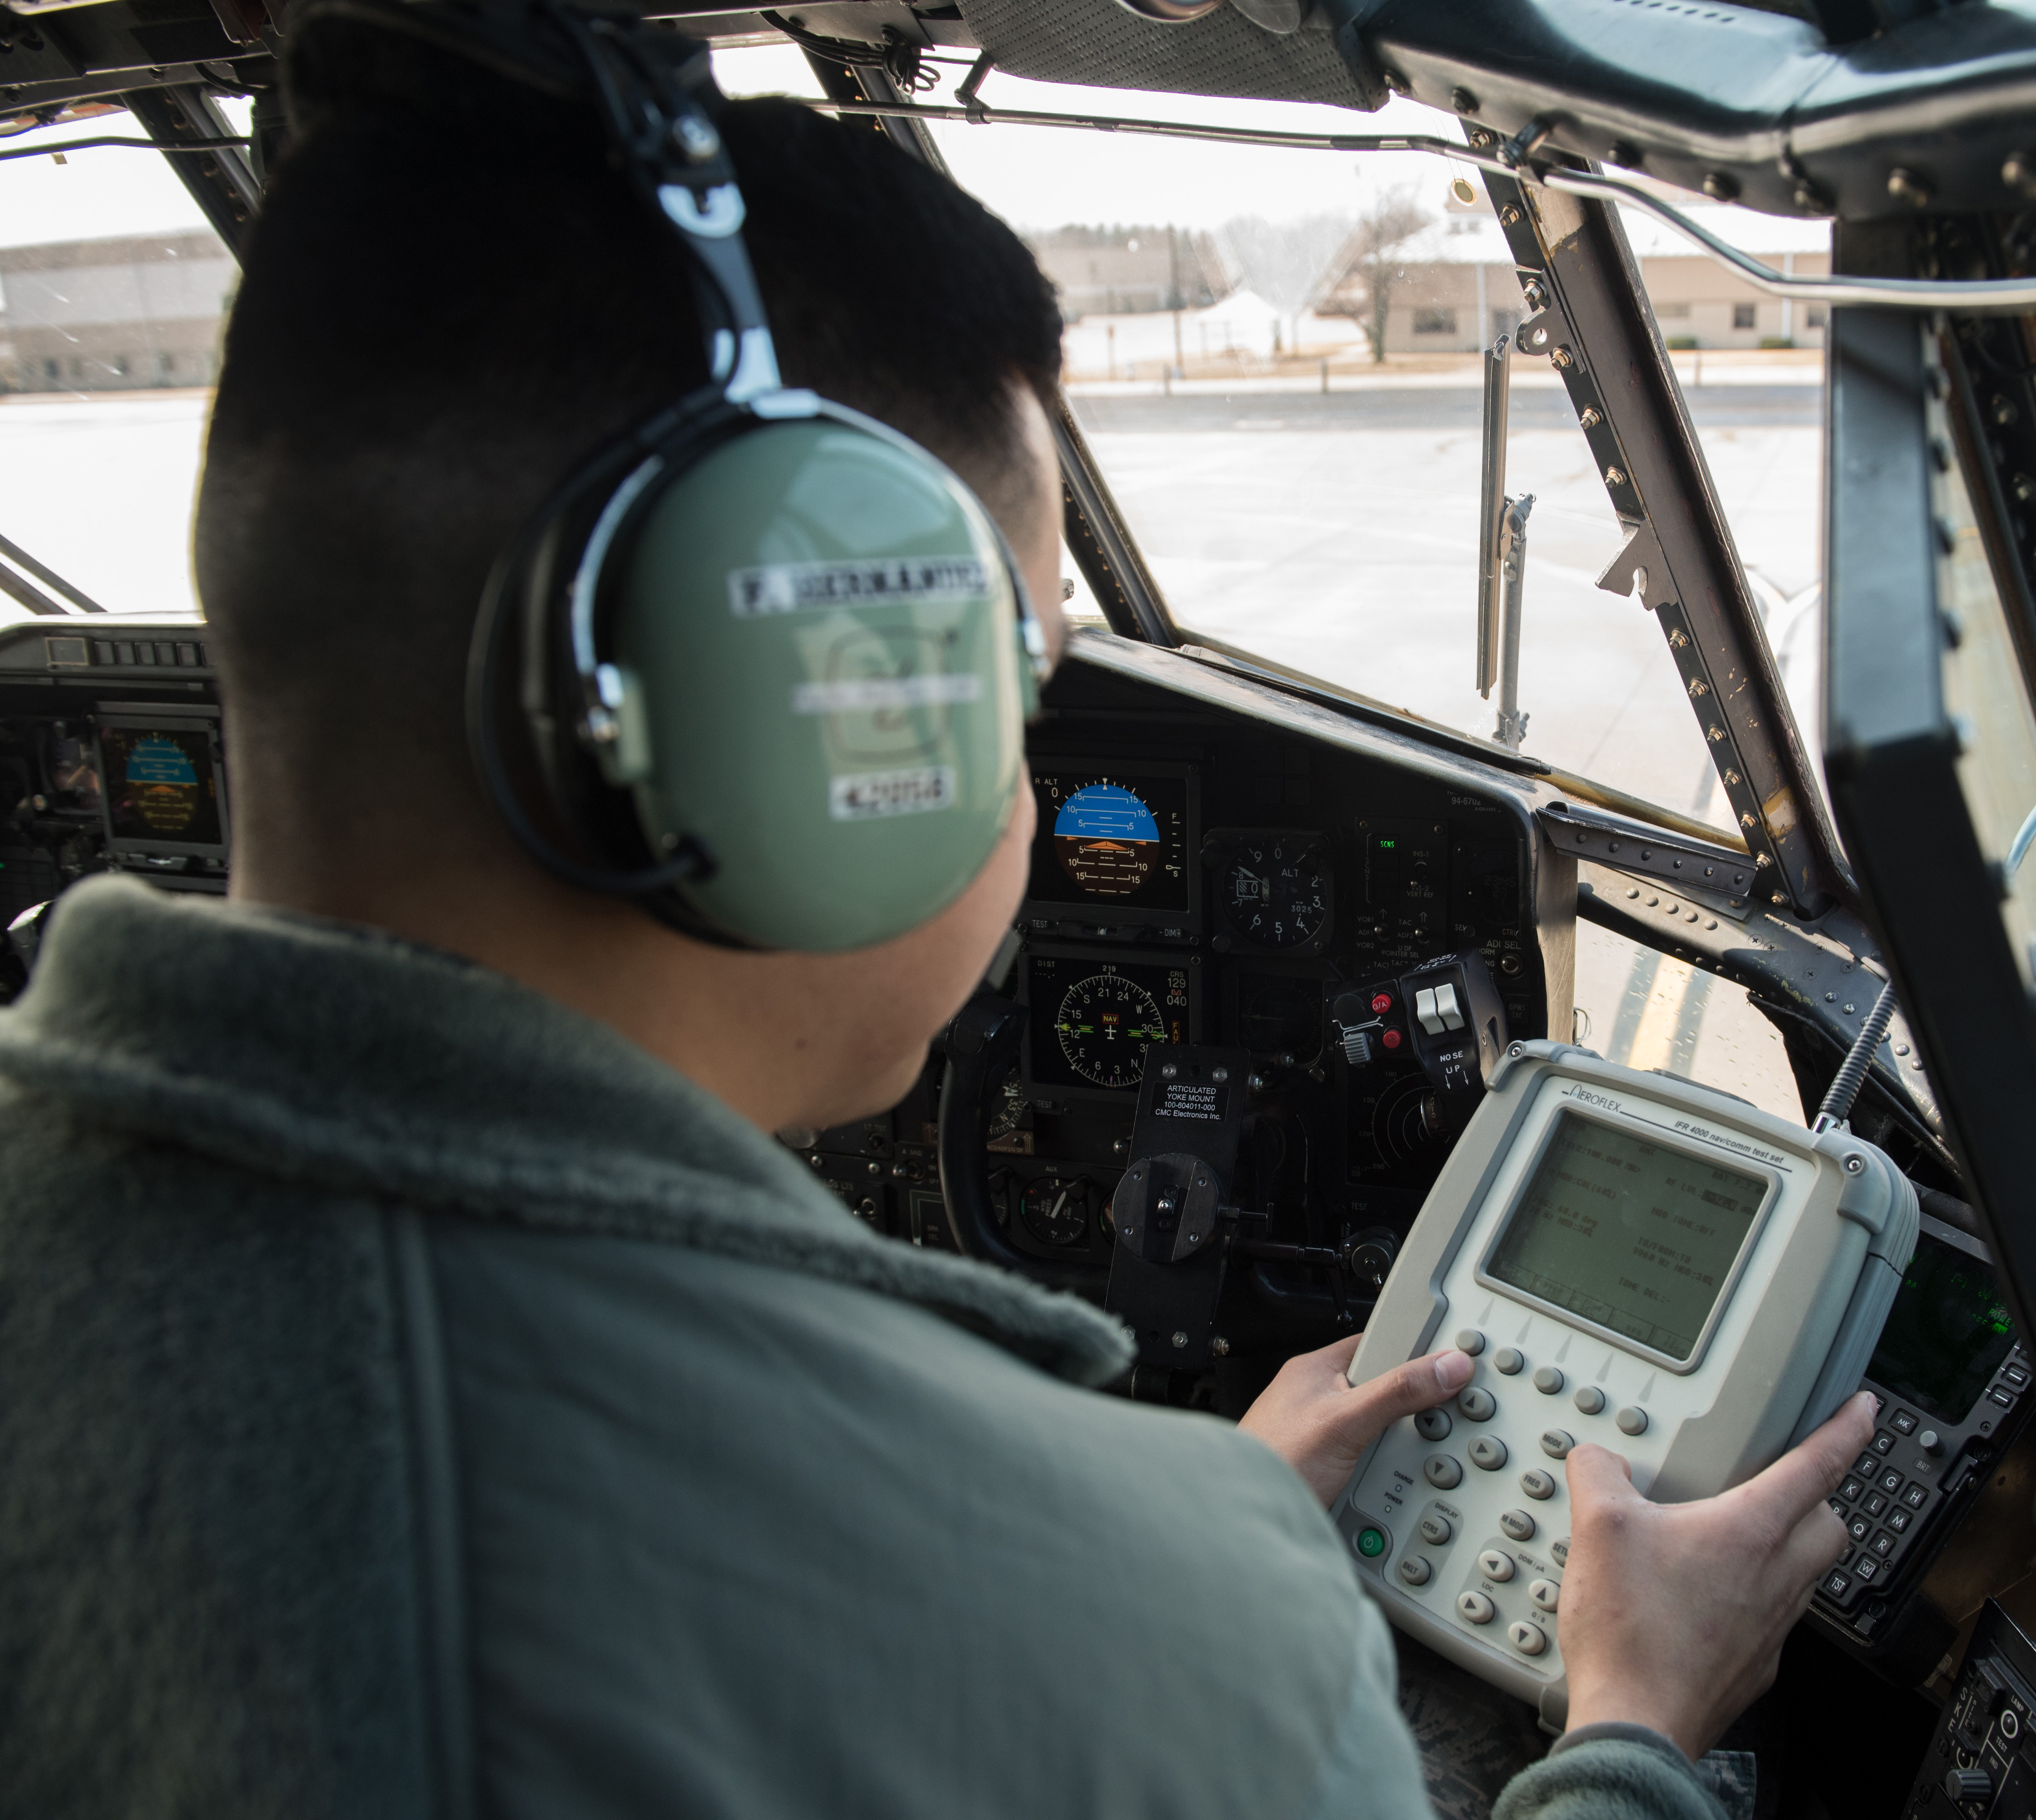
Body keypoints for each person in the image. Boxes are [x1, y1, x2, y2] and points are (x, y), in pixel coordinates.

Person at [0, 11, 1873, 1817]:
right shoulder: (1153, 1650)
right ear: (813, 727)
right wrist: (1628, 1724)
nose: (1030, 787)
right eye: (1015, 680)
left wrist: (1171, 1513)